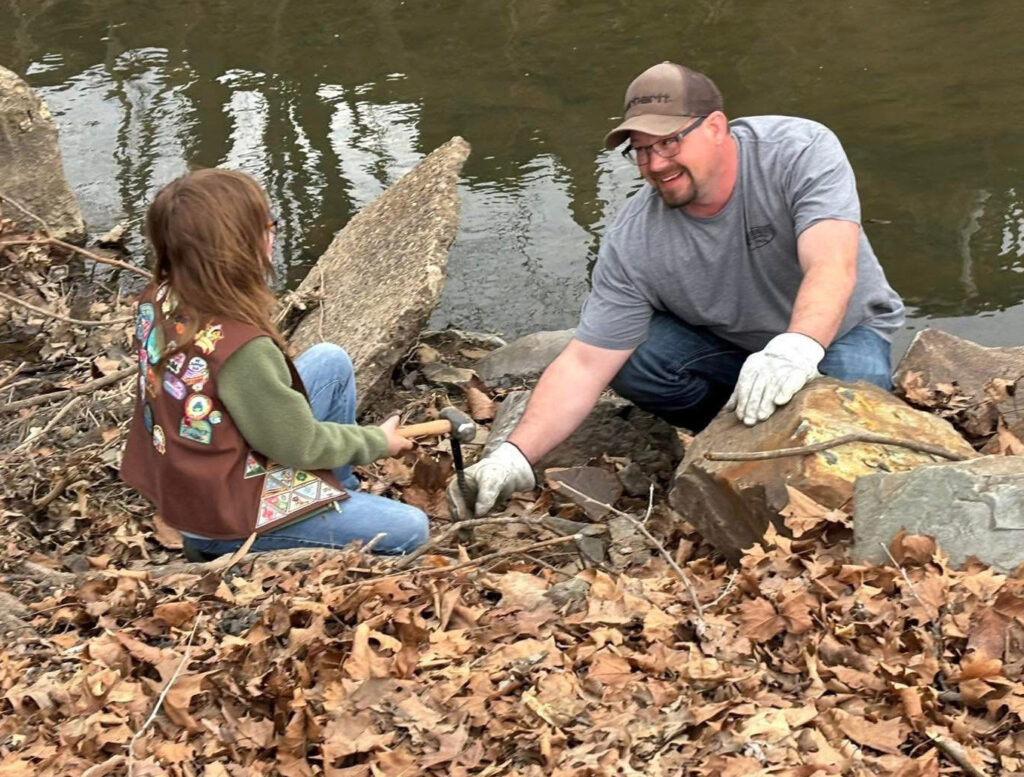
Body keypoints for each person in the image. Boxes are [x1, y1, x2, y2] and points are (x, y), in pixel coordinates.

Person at [450, 61, 905, 518]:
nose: (655, 164)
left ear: (716, 127)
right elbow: (585, 363)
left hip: (838, 332)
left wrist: (797, 348)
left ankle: (772, 418)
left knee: (855, 432)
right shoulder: (634, 240)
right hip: (732, 350)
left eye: (669, 142)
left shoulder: (797, 150)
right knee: (632, 356)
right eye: (641, 150)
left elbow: (831, 262)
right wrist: (513, 457)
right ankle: (732, 432)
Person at [120, 168, 429, 559]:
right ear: (236, 247)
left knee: (330, 362)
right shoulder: (241, 348)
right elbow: (301, 445)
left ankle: (339, 494)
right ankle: (223, 546)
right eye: (268, 224)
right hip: (224, 514)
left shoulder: (158, 298)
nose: (273, 231)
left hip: (192, 479)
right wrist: (377, 443)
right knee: (412, 529)